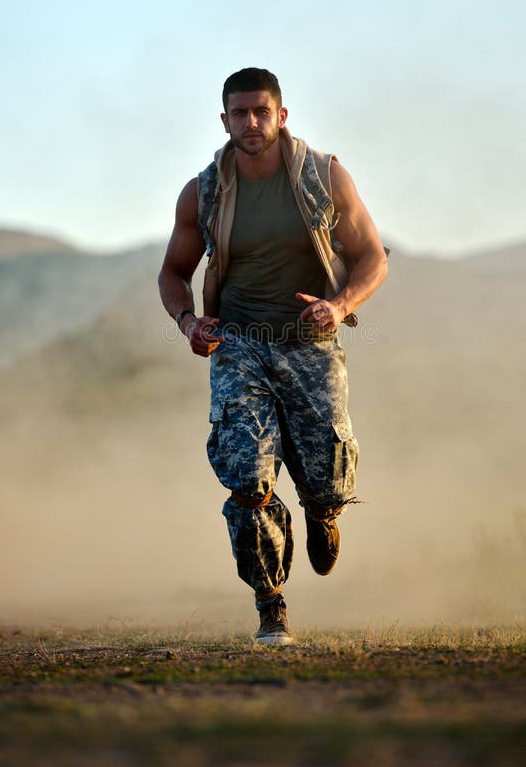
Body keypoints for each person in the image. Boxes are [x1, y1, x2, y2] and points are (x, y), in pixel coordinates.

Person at [158, 68, 388, 644]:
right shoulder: (205, 190)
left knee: (328, 479)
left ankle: (322, 511)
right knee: (247, 482)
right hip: (238, 346)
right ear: (225, 120)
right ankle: (270, 604)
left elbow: (372, 258)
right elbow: (173, 272)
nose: (251, 123)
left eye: (262, 112)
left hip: (310, 344)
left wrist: (338, 307)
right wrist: (189, 322)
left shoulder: (323, 177)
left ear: (282, 116)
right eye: (240, 113)